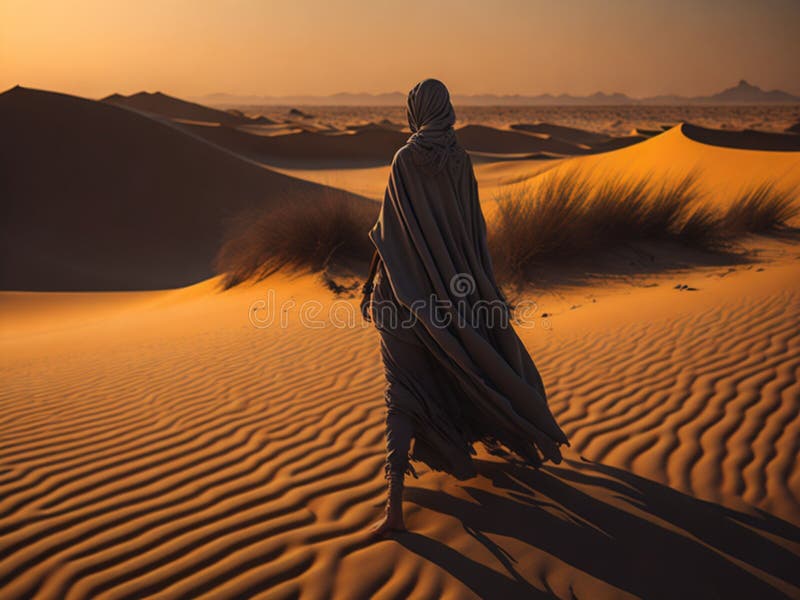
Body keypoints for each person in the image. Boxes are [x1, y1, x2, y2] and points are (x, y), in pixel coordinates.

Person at [361, 79, 568, 536]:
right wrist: (477, 290)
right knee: (463, 368)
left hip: (401, 298)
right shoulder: (461, 159)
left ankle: (394, 505)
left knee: (402, 390)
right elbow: (473, 234)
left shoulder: (404, 159)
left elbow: (390, 236)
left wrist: (366, 285)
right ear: (446, 108)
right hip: (456, 298)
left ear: (415, 109)